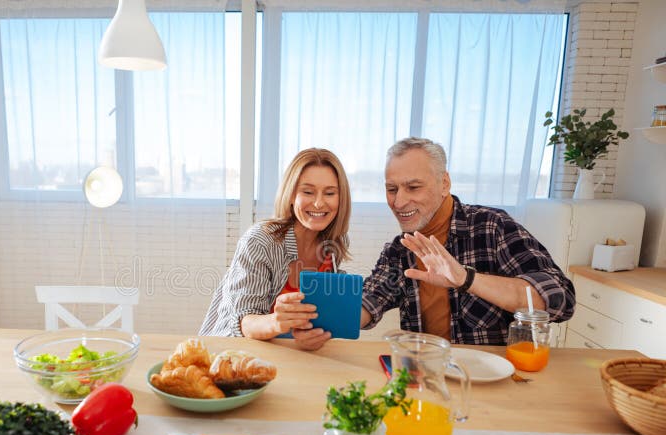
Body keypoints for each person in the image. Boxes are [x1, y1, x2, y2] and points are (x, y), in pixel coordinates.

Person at [360, 137, 575, 345]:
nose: (399, 202)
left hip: (493, 376)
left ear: (444, 184)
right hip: (428, 370)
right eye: (392, 189)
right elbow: (368, 303)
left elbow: (561, 298)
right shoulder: (399, 250)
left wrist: (467, 279)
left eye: (413, 187)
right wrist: (331, 310)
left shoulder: (492, 227)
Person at [200, 148, 352, 351]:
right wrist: (276, 323)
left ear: (341, 199)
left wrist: (310, 335)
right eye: (307, 192)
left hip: (286, 354)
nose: (318, 202)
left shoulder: (332, 246)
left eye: (330, 193)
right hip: (231, 352)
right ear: (290, 195)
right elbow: (243, 321)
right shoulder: (260, 240)